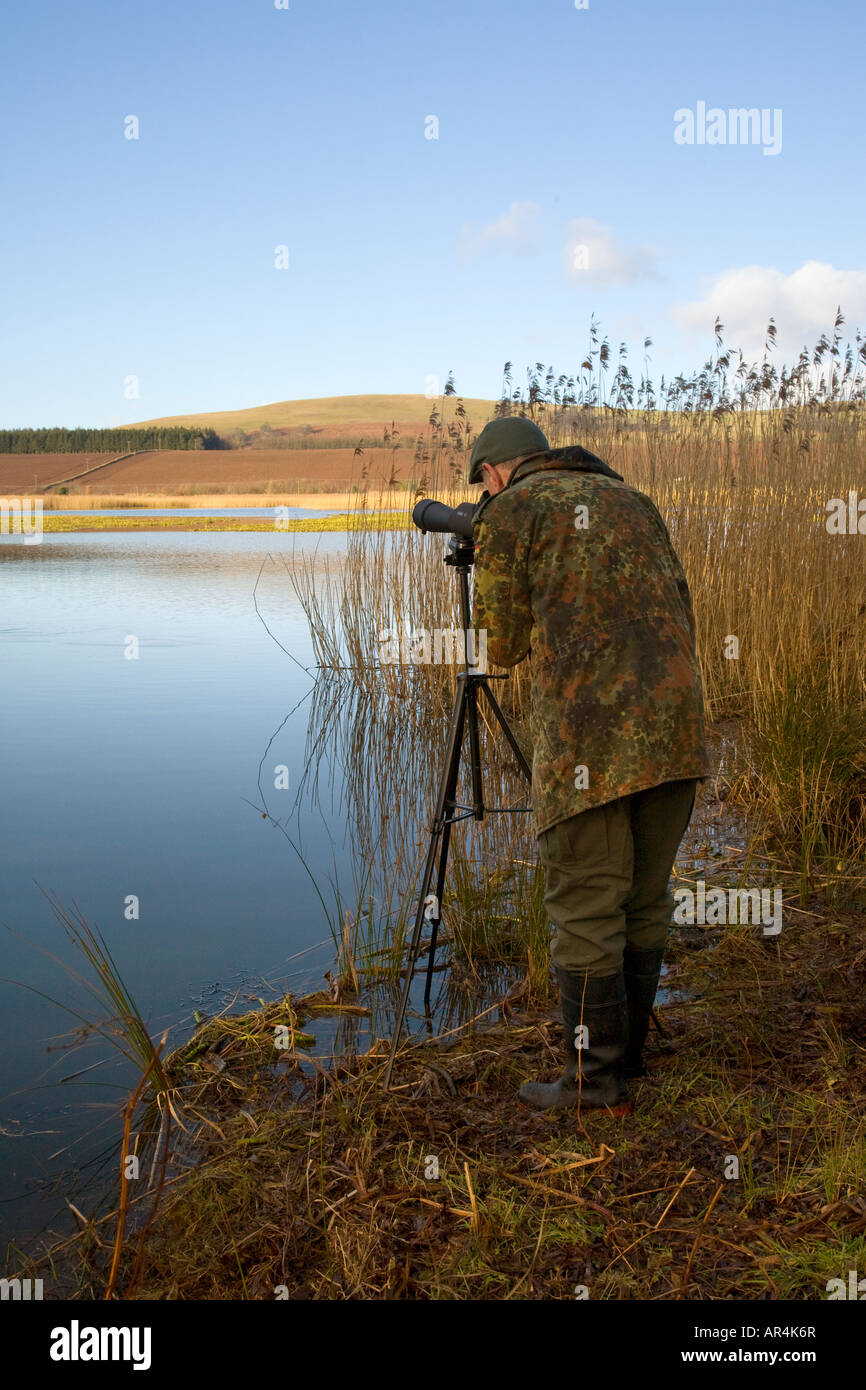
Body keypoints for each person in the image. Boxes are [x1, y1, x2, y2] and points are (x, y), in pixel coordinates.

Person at [469, 417, 710, 1111]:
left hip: (591, 743)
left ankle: (591, 1082)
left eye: (484, 484)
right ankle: (627, 1061)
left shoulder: (513, 511)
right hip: (676, 728)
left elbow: (504, 648)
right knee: (643, 896)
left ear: (493, 474)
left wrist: (488, 551)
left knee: (583, 906)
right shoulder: (634, 499)